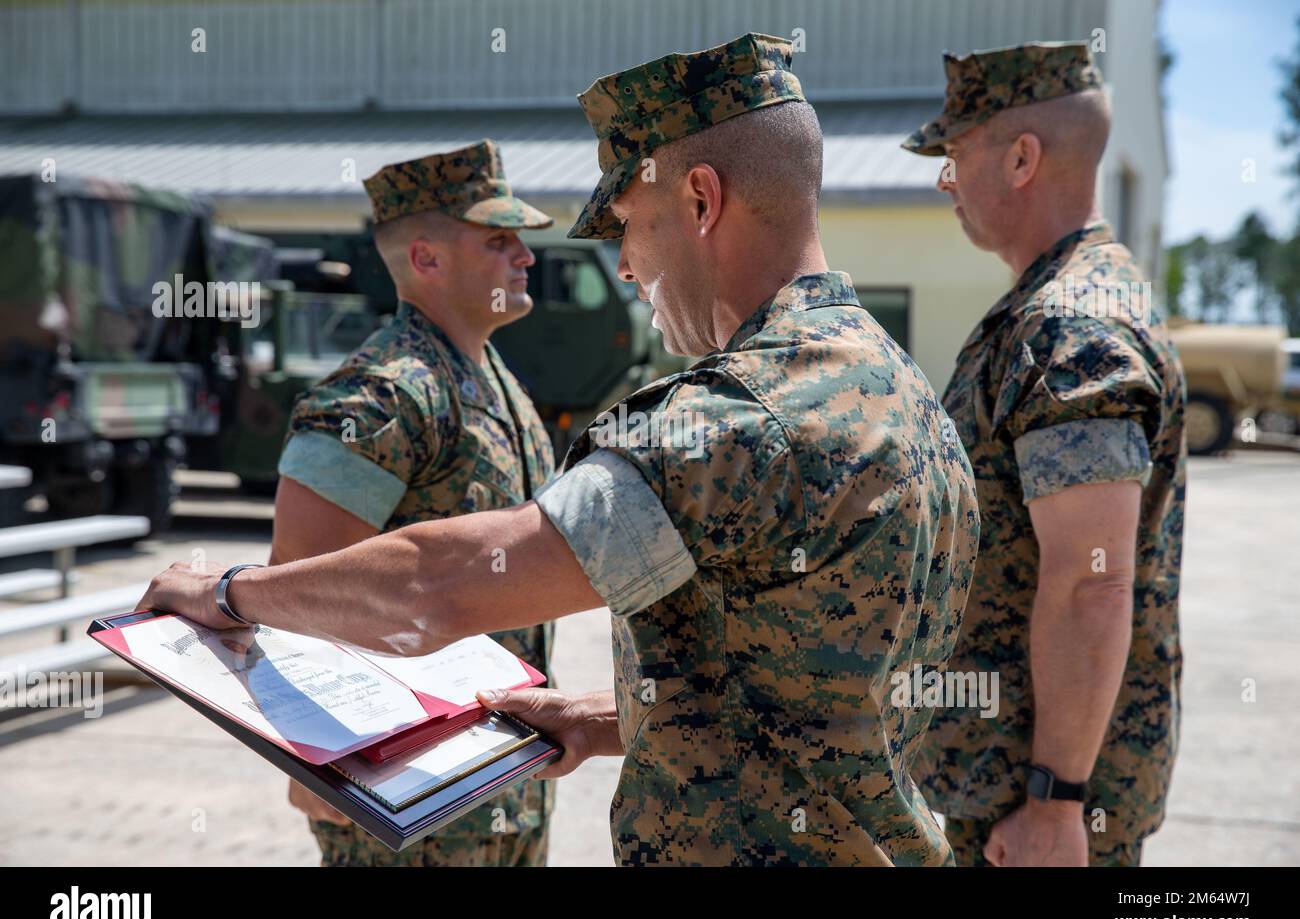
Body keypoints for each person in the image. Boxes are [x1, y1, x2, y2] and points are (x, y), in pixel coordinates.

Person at [138, 33, 979, 866]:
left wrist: (230, 592)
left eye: (629, 225)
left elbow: (444, 584)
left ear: (699, 202)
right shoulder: (903, 392)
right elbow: (823, 692)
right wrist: (605, 720)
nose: (623, 266)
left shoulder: (730, 419)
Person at [900, 41, 1187, 866]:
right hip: (998, 788)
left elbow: (1092, 580)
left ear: (1022, 157)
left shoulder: (1071, 326)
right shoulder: (1057, 304)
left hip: (1022, 811)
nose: (944, 181)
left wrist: (1055, 803)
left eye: (955, 156)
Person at [270, 140, 558, 866]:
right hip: (404, 807)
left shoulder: (496, 379)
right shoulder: (380, 397)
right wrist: (310, 769)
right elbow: (295, 596)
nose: (525, 255)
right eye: (498, 240)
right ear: (427, 260)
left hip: (504, 787)